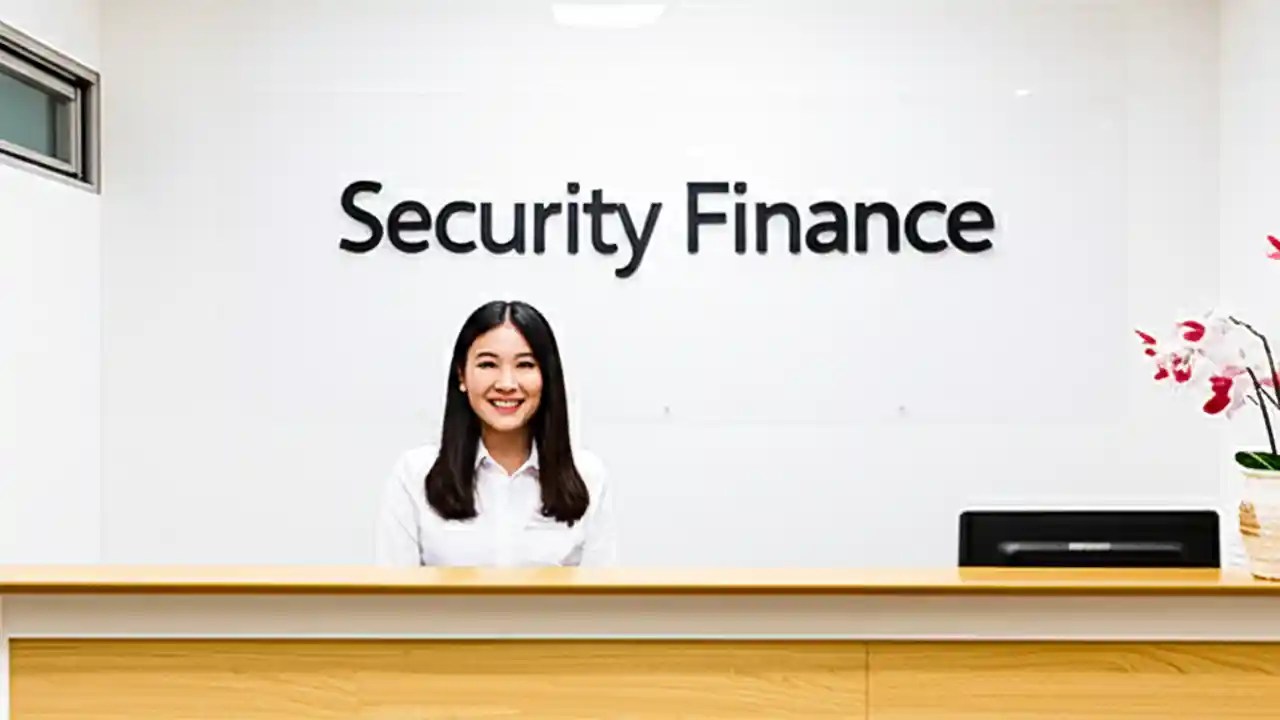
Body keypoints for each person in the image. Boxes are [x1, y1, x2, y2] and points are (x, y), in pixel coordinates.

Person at [375, 300, 616, 566]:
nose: (506, 384)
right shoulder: (414, 476)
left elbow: (600, 602)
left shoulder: (588, 476)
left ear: (547, 378)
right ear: (461, 376)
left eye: (525, 365)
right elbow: (394, 600)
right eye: (488, 364)